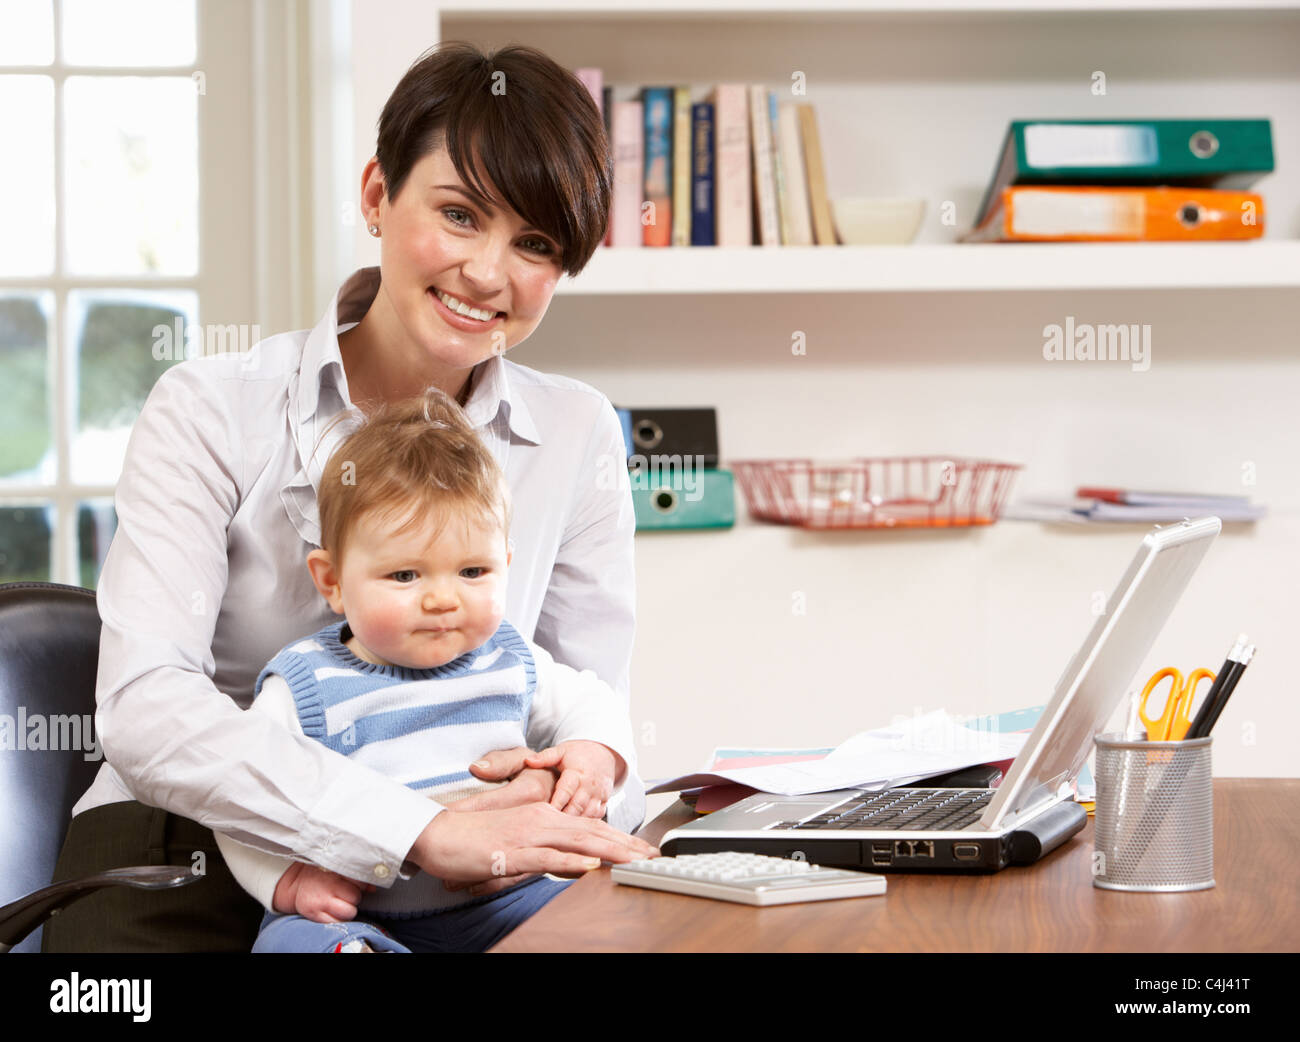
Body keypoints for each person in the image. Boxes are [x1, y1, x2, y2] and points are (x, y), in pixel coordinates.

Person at [43, 41, 655, 953]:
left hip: (467, 848)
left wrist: (580, 775)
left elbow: (589, 697)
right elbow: (147, 707)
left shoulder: (576, 432)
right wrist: (405, 827)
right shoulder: (211, 407)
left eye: (534, 244)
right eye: (459, 215)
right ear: (377, 196)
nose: (489, 274)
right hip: (194, 829)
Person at [216, 390, 639, 952]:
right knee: (293, 943)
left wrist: (591, 754)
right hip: (368, 915)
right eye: (405, 576)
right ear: (332, 581)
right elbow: (242, 797)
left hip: (508, 899)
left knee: (612, 908)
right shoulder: (304, 686)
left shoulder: (509, 658)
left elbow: (594, 703)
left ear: (505, 565)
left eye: (472, 570)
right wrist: (289, 881)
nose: (443, 599)